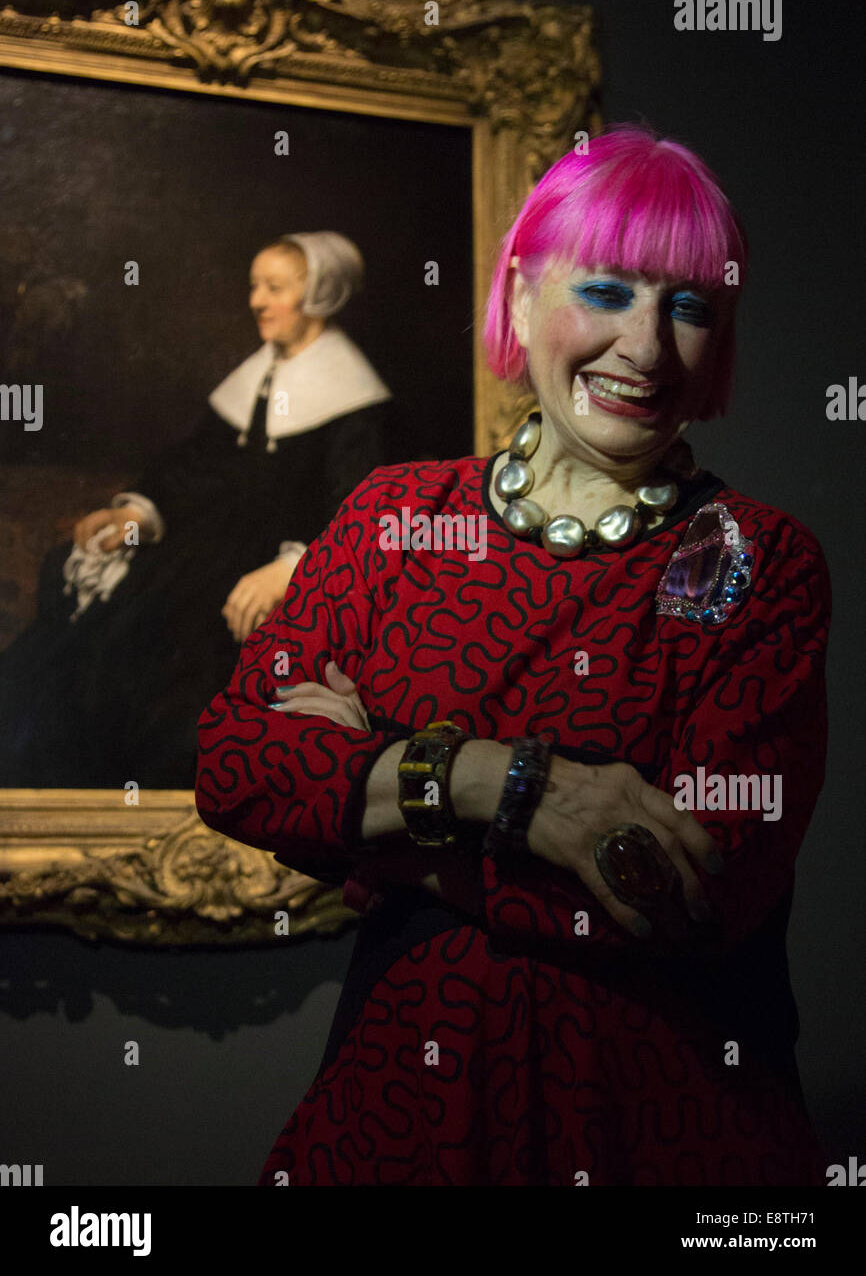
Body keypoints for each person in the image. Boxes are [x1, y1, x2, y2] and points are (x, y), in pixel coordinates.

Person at [196, 127, 831, 1187]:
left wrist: (381, 799)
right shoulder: (397, 513)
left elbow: (694, 889)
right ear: (523, 293)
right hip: (401, 1115)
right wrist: (518, 789)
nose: (643, 346)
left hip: (667, 1132)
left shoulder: (755, 558)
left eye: (687, 308)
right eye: (607, 291)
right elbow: (237, 766)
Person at [0, 232, 393, 789]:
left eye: (274, 288)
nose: (257, 301)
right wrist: (138, 513)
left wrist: (289, 570)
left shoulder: (355, 399)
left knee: (165, 659)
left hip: (274, 564)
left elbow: (359, 510)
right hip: (204, 545)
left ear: (320, 296)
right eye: (255, 286)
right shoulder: (260, 370)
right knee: (78, 616)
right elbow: (195, 466)